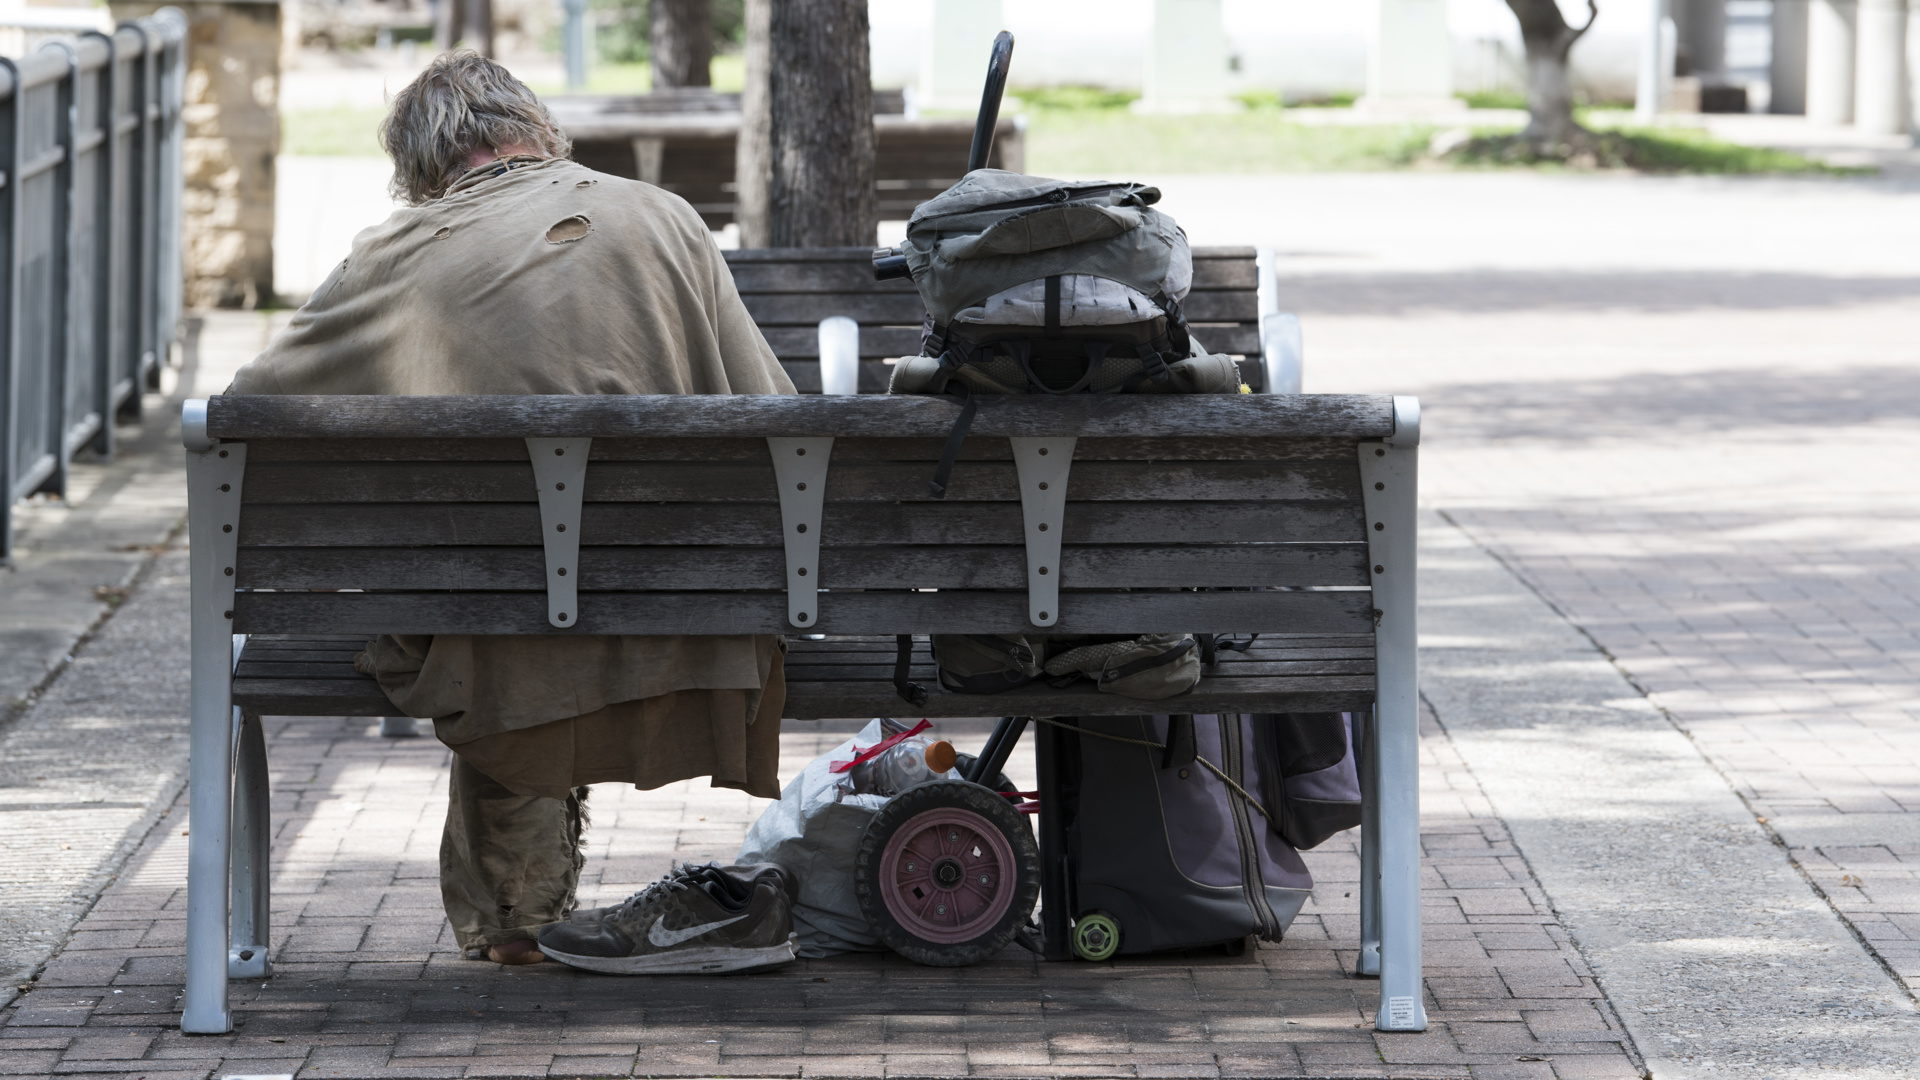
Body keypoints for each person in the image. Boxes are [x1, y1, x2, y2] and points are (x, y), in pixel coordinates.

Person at [226, 52, 797, 971]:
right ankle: (518, 913)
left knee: (492, 597)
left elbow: (244, 412)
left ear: (421, 168)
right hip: (687, 623)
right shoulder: (664, 217)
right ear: (535, 128)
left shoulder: (393, 255)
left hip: (487, 639)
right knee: (535, 592)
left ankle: (515, 923)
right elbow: (780, 417)